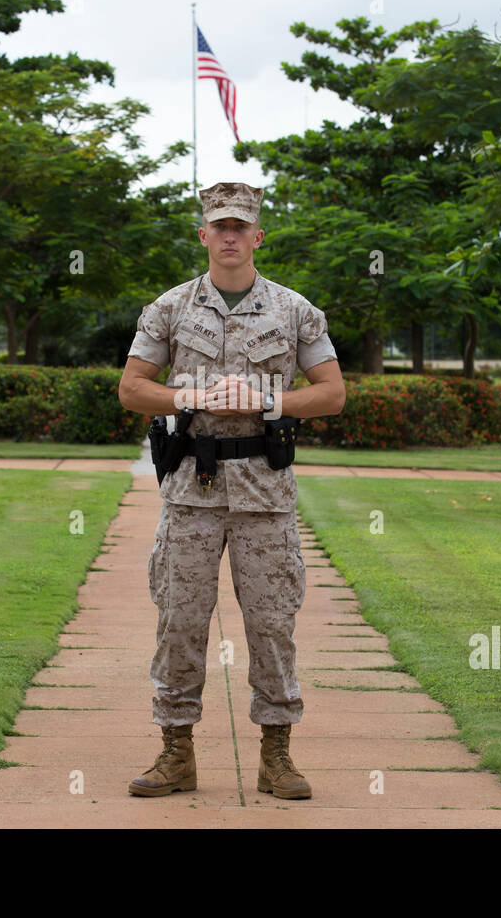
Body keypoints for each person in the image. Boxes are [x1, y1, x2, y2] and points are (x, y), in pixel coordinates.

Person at [117, 181, 345, 800]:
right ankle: (176, 752)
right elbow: (133, 388)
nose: (229, 236)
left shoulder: (295, 311)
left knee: (272, 624)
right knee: (180, 620)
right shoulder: (169, 308)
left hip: (265, 493)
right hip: (192, 486)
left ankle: (277, 755)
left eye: (240, 226)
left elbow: (331, 393)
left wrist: (271, 400)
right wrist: (185, 396)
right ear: (203, 235)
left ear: (258, 236)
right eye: (219, 225)